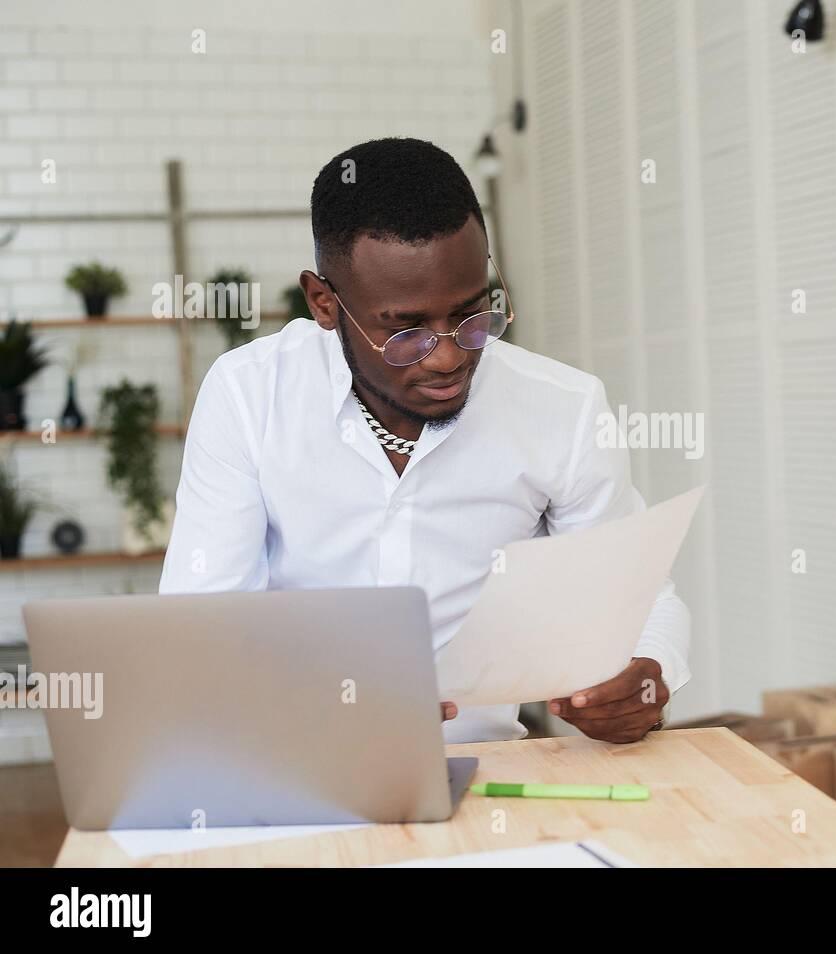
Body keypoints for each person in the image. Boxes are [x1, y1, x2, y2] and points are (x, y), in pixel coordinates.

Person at [159, 137, 690, 744]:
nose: (447, 356)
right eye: (406, 331)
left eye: (472, 316)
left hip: (490, 778)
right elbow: (201, 624)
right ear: (324, 303)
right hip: (297, 764)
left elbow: (635, 599)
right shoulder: (248, 396)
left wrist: (647, 678)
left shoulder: (562, 409)